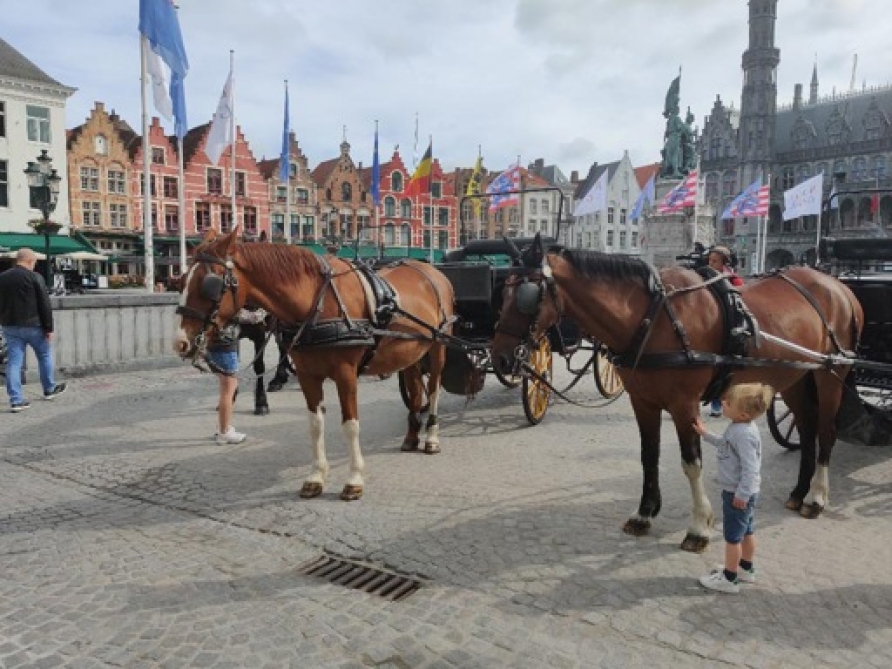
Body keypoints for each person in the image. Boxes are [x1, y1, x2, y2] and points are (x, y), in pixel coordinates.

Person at [693, 382, 773, 594]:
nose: (723, 403)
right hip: (742, 492)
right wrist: (705, 434)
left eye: (728, 403)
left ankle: (729, 578)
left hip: (738, 493)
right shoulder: (740, 428)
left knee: (732, 537)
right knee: (747, 531)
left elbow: (751, 469)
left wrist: (742, 494)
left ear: (744, 414)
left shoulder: (743, 434)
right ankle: (745, 568)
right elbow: (725, 444)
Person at [0, 248, 67, 412]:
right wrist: (48, 327)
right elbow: (44, 304)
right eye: (35, 262)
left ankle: (16, 400)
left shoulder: (2, 277)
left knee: (14, 363)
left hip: (10, 326)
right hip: (34, 325)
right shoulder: (35, 277)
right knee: (44, 356)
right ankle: (49, 389)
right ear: (30, 261)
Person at [707, 246, 744, 417]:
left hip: (729, 326)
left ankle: (720, 401)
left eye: (714, 261)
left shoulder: (734, 280)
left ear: (724, 263)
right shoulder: (706, 277)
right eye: (709, 260)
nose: (710, 263)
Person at [206, 318, 247, 445]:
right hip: (225, 346)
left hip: (215, 346)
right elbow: (245, 316)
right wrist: (262, 313)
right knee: (228, 391)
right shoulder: (227, 304)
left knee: (225, 388)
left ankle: (223, 426)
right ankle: (224, 432)